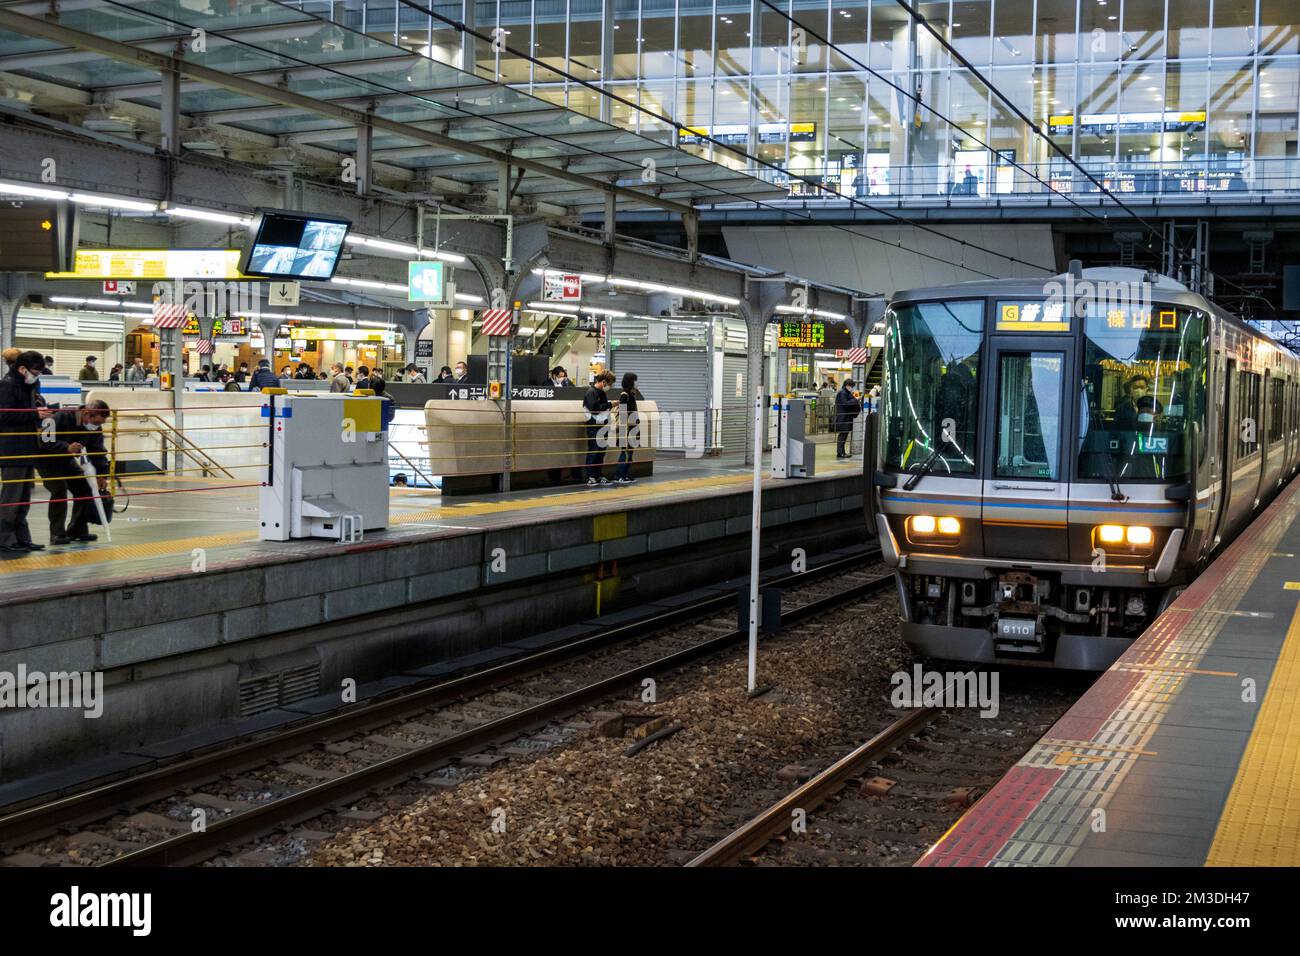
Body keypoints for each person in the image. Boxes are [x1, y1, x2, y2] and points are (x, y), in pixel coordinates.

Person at [39, 400, 110, 545]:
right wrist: (66, 447)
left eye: (99, 424)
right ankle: (57, 534)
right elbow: (44, 441)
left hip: (67, 461)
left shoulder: (95, 428)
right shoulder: (59, 417)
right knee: (59, 491)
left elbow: (98, 451)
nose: (96, 427)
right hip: (46, 460)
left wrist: (102, 474)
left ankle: (77, 529)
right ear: (86, 413)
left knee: (85, 488)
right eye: (95, 423)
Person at [0, 351, 50, 553]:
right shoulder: (8, 385)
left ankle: (21, 538)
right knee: (11, 498)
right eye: (35, 372)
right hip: (12, 449)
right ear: (22, 369)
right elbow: (4, 416)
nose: (36, 375)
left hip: (26, 447)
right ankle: (4, 539)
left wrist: (39, 413)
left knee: (23, 499)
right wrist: (33, 413)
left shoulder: (27, 384)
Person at [583, 370, 614, 486]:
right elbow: (594, 408)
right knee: (594, 450)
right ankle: (590, 477)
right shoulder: (591, 392)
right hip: (593, 426)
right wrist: (610, 404)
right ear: (604, 382)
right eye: (609, 384)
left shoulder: (601, 392)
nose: (610, 387)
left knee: (601, 452)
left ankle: (598, 475)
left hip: (602, 425)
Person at [613, 371, 643, 484]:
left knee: (630, 453)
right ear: (631, 382)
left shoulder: (631, 394)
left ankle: (625, 474)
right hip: (625, 429)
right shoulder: (624, 395)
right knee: (624, 453)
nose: (637, 383)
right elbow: (622, 413)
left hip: (632, 427)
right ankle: (619, 476)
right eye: (635, 381)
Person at [834, 378, 862, 459]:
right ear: (847, 385)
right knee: (842, 436)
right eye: (851, 386)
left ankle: (842, 452)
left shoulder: (845, 392)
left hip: (846, 417)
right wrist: (855, 399)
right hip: (843, 417)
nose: (852, 388)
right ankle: (840, 453)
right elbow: (845, 404)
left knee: (844, 435)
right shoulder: (843, 393)